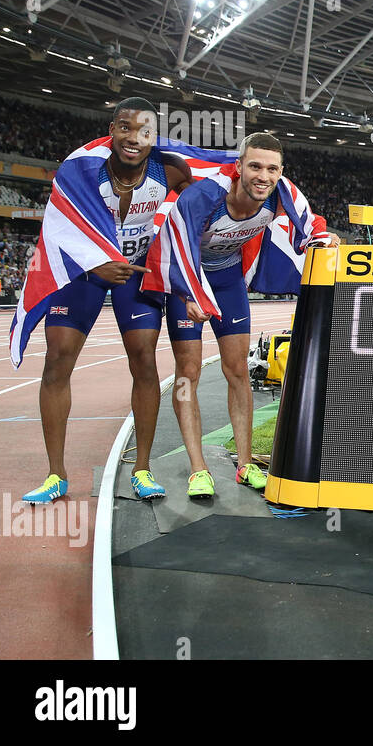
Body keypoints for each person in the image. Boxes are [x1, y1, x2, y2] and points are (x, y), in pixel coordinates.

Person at [146, 132, 338, 500]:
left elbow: (309, 225)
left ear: (280, 171)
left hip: (228, 279)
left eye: (271, 168)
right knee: (188, 372)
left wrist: (323, 238)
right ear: (238, 168)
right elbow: (179, 245)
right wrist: (191, 293)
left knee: (237, 370)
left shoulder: (283, 192)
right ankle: (198, 470)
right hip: (187, 276)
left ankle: (246, 464)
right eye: (254, 166)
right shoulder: (204, 196)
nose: (263, 176)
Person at [20, 97, 194, 503]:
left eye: (144, 130)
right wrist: (96, 264)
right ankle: (55, 476)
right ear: (112, 128)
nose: (133, 137)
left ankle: (143, 468)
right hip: (84, 271)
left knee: (145, 360)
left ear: (155, 136)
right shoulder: (80, 168)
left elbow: (198, 209)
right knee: (57, 359)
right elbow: (57, 228)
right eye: (125, 127)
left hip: (134, 273)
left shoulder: (170, 170)